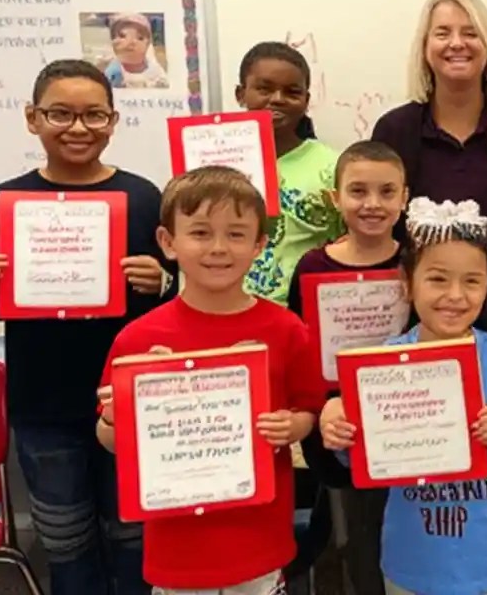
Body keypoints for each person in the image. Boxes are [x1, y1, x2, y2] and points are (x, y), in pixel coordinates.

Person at [0, 59, 173, 595]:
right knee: (67, 547)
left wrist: (164, 283)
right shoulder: (6, 202)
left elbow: (164, 307)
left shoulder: (144, 197)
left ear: (114, 120)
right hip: (43, 406)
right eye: (61, 114)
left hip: (128, 399)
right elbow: (0, 302)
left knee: (135, 542)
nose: (79, 128)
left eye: (94, 116)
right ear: (33, 118)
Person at [95, 166, 319, 594]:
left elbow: (308, 408)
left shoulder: (286, 330)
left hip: (258, 538)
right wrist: (114, 417)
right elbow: (109, 439)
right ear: (168, 242)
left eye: (236, 235)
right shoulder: (139, 338)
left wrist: (295, 427)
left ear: (259, 245)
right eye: (200, 233)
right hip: (177, 545)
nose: (218, 248)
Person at [319, 197, 487, 595]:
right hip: (412, 561)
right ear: (408, 283)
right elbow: (359, 461)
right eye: (438, 278)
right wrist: (340, 432)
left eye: (472, 281)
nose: (455, 295)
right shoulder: (384, 363)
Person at [370, 0, 487, 336]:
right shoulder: (395, 130)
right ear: (425, 48)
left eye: (470, 33)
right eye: (442, 33)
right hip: (413, 329)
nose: (457, 43)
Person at [288, 141, 409, 595]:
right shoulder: (312, 266)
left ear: (404, 198)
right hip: (337, 426)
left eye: (386, 192)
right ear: (336, 198)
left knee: (397, 535)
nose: (372, 204)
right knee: (350, 537)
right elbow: (301, 350)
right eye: (358, 191)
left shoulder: (414, 262)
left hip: (402, 425)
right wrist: (324, 408)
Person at [240, 41, 345, 307]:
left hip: (302, 314)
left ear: (306, 100)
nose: (277, 99)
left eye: (292, 92)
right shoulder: (208, 161)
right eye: (264, 88)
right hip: (222, 313)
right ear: (241, 94)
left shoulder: (334, 167)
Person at [104, 13, 169, 89]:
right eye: (122, 36)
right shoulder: (113, 71)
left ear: (147, 45)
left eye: (140, 38)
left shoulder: (154, 69)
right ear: (113, 42)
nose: (131, 42)